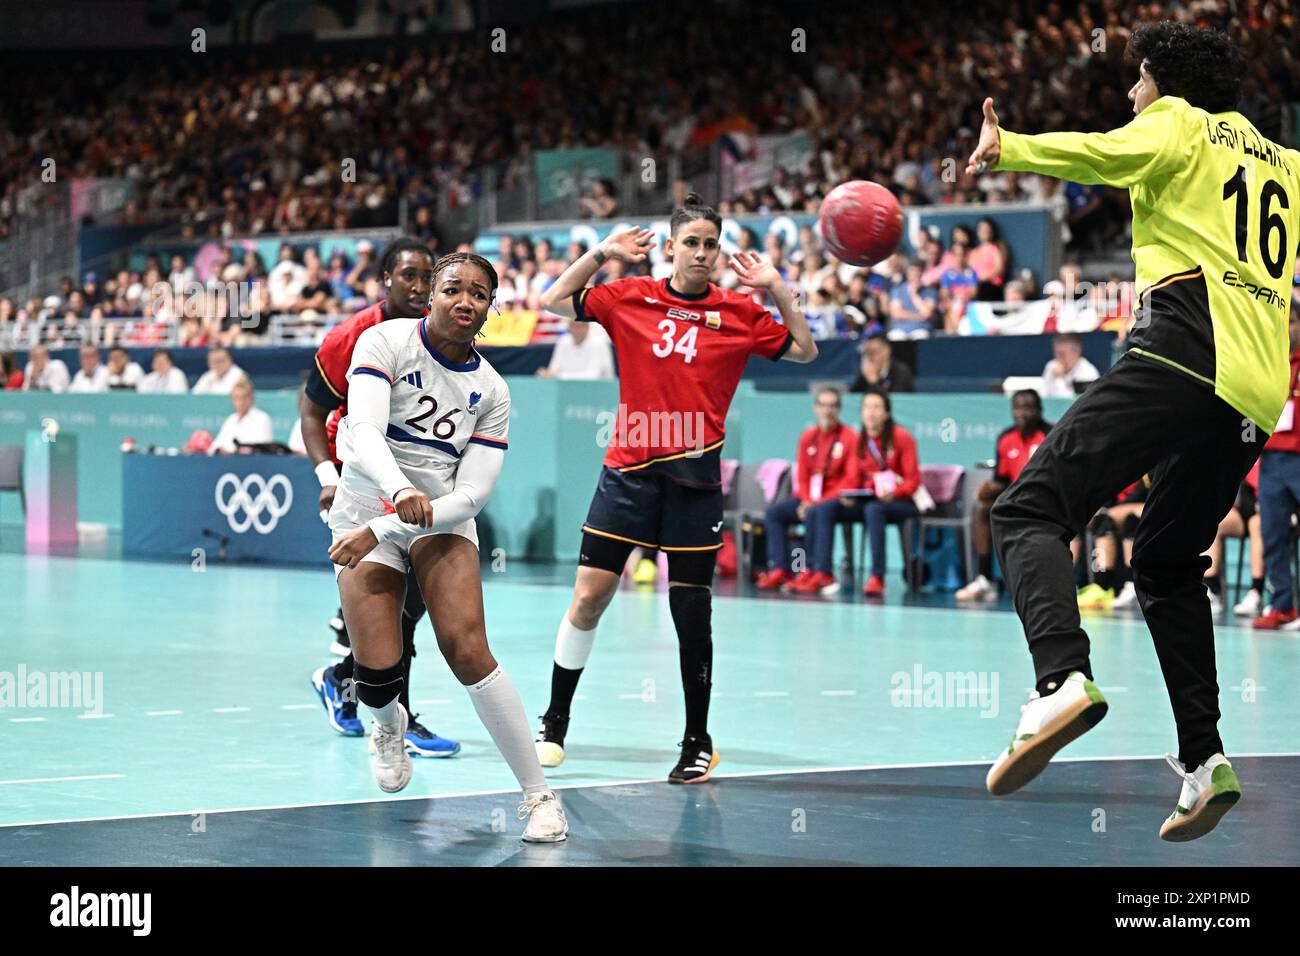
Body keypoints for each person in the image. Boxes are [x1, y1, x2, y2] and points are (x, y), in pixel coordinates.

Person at [967, 20, 1300, 839]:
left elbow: (1100, 153)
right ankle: (1204, 758)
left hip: (1186, 345)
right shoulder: (1286, 163)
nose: (1131, 92)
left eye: (1139, 79)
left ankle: (1060, 681)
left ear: (1170, 83)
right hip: (1259, 386)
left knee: (1027, 510)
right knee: (1165, 561)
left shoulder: (1178, 122)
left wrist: (1009, 147)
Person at [532, 193, 817, 782]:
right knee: (588, 598)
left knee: (691, 614)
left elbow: (806, 350)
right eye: (691, 242)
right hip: (629, 473)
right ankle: (554, 721)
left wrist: (777, 288)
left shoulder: (740, 313)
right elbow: (553, 301)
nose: (702, 253)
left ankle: (696, 740)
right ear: (670, 248)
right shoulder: (631, 297)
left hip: (694, 482)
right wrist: (602, 253)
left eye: (711, 244)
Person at [323, 251, 567, 841]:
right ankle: (388, 724)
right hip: (365, 506)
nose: (466, 301)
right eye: (454, 288)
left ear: (489, 308)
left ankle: (538, 797)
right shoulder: (385, 342)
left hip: (436, 520)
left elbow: (474, 494)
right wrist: (395, 497)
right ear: (430, 295)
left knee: (468, 648)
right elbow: (361, 435)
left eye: (479, 294)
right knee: (377, 670)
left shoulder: (492, 390)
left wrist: (397, 522)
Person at [300, 238, 460, 757]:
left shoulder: (440, 336)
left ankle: (341, 678)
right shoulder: (351, 336)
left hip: (418, 489)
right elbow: (310, 411)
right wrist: (326, 475)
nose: (418, 288)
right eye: (408, 276)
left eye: (426, 278)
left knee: (409, 607)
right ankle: (398, 719)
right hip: (363, 490)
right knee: (396, 608)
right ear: (385, 280)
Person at [756, 388, 857, 593]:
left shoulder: (850, 437)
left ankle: (821, 573)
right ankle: (781, 569)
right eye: (823, 405)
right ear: (815, 408)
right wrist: (806, 499)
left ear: (839, 409)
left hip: (835, 500)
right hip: (808, 499)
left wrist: (816, 502)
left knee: (819, 511)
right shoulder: (807, 437)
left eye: (832, 406)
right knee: (774, 513)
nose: (827, 410)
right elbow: (801, 476)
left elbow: (850, 479)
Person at [956, 389, 1051, 602]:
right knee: (981, 509)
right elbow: (1002, 479)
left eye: (1027, 408)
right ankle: (985, 579)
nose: (1021, 413)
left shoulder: (1049, 435)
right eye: (1017, 408)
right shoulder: (1006, 438)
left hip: (1043, 498)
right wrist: (990, 488)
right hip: (1014, 496)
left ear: (1038, 411)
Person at [839, 388, 922, 598]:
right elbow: (853, 479)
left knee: (874, 510)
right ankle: (819, 572)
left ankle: (877, 577)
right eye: (867, 407)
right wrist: (849, 494)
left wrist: (894, 492)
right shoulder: (859, 440)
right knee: (827, 509)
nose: (871, 412)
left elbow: (913, 481)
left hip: (901, 502)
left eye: (877, 407)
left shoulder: (902, 437)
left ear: (886, 413)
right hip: (870, 500)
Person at [1251, 306, 1300, 630]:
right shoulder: (1267, 364)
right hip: (1270, 462)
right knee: (1272, 536)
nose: (1287, 329)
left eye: (1293, 322)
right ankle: (1282, 604)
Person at [1204, 461, 1265, 618]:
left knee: (1257, 524)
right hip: (1245, 510)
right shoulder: (1246, 450)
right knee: (1212, 520)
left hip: (1270, 513)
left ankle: (1256, 592)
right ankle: (1211, 590)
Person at [208, 377, 273, 454]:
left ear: (251, 398)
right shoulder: (231, 420)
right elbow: (214, 447)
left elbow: (261, 449)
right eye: (237, 398)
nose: (240, 402)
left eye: (244, 398)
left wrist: (232, 453)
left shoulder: (262, 418)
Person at [536, 319, 615, 379]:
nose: (577, 329)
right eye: (574, 325)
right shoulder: (563, 342)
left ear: (587, 326)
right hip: (568, 392)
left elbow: (593, 376)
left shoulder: (599, 344)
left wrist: (557, 375)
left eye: (580, 325)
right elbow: (553, 370)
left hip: (598, 393)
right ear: (569, 326)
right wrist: (547, 374)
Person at [849, 333, 915, 394]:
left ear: (887, 350)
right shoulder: (867, 372)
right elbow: (853, 395)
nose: (870, 357)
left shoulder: (901, 371)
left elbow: (895, 400)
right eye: (867, 353)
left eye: (873, 352)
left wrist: (874, 382)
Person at [1040, 332, 1100, 397]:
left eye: (1061, 354)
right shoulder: (1051, 365)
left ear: (1076, 353)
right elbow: (1043, 394)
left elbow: (1071, 403)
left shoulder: (1088, 373)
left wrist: (1058, 379)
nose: (1057, 358)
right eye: (1056, 353)